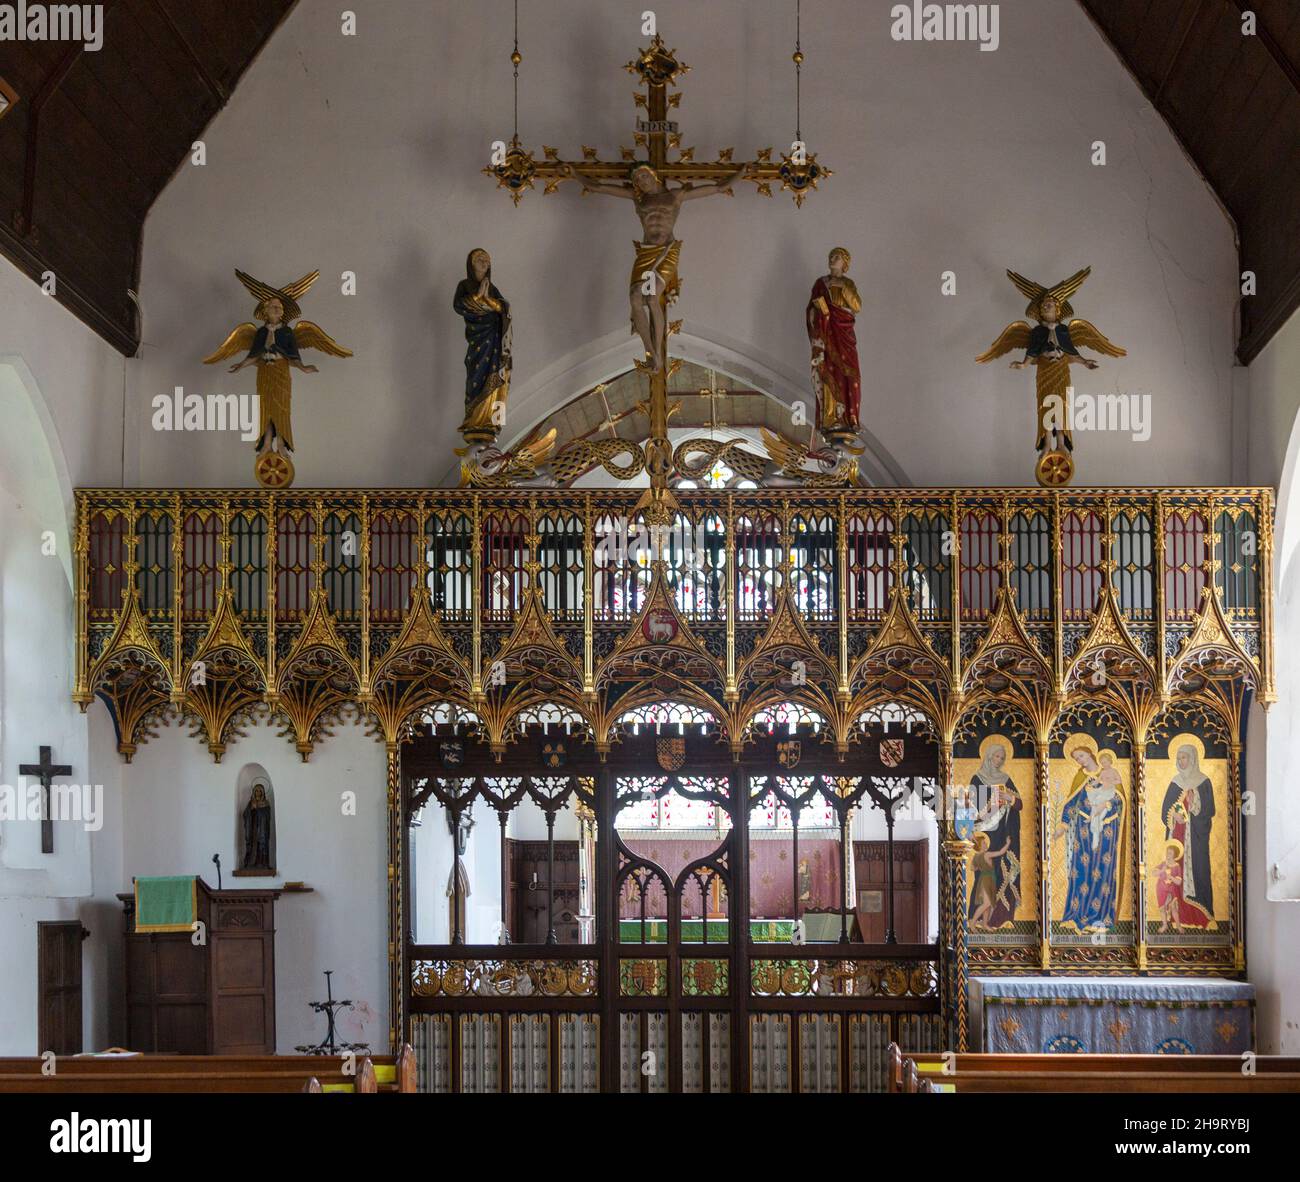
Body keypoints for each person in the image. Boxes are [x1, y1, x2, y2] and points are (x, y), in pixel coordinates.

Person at [570, 162, 746, 369]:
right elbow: (597, 187)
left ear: (654, 175)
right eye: (637, 180)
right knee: (636, 297)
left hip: (666, 251)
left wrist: (741, 174)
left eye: (643, 176)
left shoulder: (676, 196)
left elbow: (718, 188)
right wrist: (575, 175)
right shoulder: (638, 198)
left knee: (652, 298)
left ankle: (659, 353)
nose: (641, 182)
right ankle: (651, 351)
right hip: (646, 252)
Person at [1056, 746, 1124, 933]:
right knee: (1082, 869)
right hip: (1083, 830)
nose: (1080, 760)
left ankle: (1100, 918)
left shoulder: (1108, 772)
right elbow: (1072, 802)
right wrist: (1063, 825)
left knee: (1102, 870)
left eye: (1082, 755)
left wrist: (1107, 804)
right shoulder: (1080, 778)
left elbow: (1121, 800)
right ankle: (1078, 915)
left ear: (1091, 754)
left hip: (1107, 829)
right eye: (1077, 758)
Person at [806, 247, 863, 437]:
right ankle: (831, 418)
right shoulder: (820, 284)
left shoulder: (848, 283)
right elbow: (811, 311)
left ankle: (849, 417)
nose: (832, 259)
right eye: (831, 256)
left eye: (837, 257)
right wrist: (819, 311)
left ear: (845, 263)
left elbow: (857, 306)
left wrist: (843, 288)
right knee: (828, 371)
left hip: (843, 335)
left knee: (849, 374)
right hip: (825, 334)